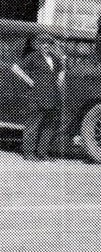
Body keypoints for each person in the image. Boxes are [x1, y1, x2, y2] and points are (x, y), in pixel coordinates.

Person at [17, 33, 65, 162]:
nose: (45, 46)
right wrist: (30, 82)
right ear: (39, 45)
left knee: (48, 127)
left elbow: (61, 73)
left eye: (48, 44)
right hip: (36, 97)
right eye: (43, 43)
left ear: (50, 46)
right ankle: (28, 153)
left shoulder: (55, 59)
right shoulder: (33, 57)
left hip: (52, 97)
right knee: (32, 126)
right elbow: (17, 69)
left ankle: (42, 153)